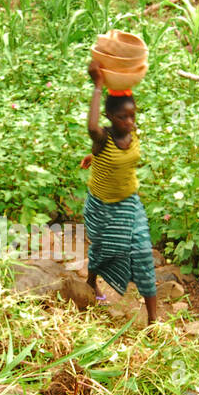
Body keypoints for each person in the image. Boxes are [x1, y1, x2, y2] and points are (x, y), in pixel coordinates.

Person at [80, 61, 158, 323]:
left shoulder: (132, 133)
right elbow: (92, 129)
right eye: (123, 117)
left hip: (129, 203)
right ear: (110, 118)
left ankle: (153, 321)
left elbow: (120, 158)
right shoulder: (103, 137)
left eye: (133, 115)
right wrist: (98, 86)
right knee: (102, 248)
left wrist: (94, 157)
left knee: (143, 252)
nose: (130, 121)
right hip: (102, 204)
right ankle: (91, 282)